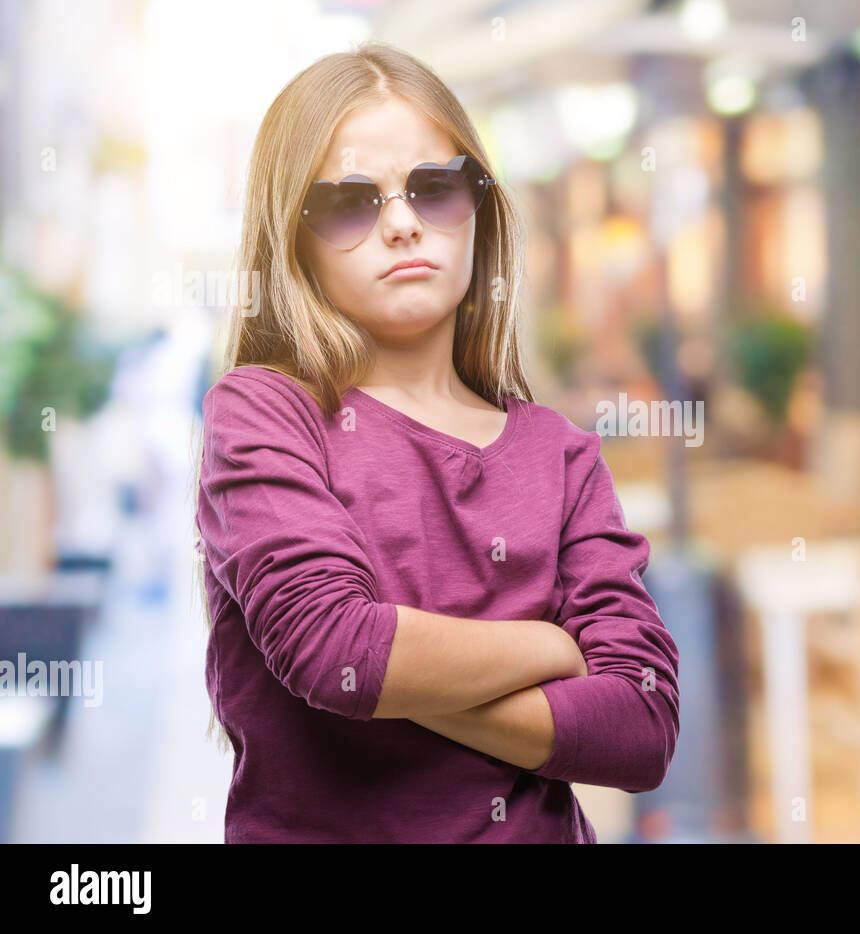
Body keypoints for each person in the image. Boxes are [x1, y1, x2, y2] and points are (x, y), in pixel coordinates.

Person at [192, 42, 680, 843]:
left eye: (436, 187)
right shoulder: (263, 414)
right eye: (350, 202)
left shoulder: (561, 454)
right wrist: (552, 646)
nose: (403, 223)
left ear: (478, 206)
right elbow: (334, 650)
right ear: (295, 241)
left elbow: (642, 724)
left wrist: (407, 677)